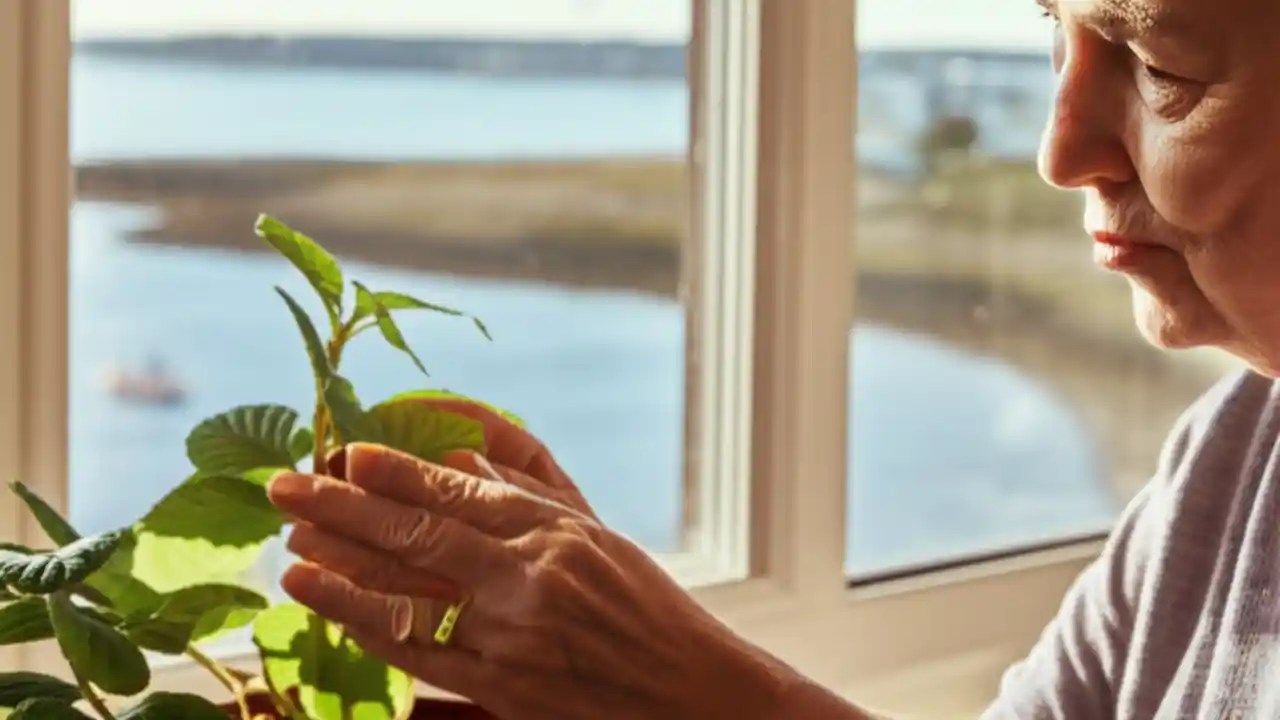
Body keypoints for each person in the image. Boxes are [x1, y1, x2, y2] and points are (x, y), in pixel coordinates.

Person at [265, 0, 1280, 716]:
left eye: (1159, 67)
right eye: (1050, 29)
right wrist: (613, 669)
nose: (1056, 153)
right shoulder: (1232, 453)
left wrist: (701, 699)